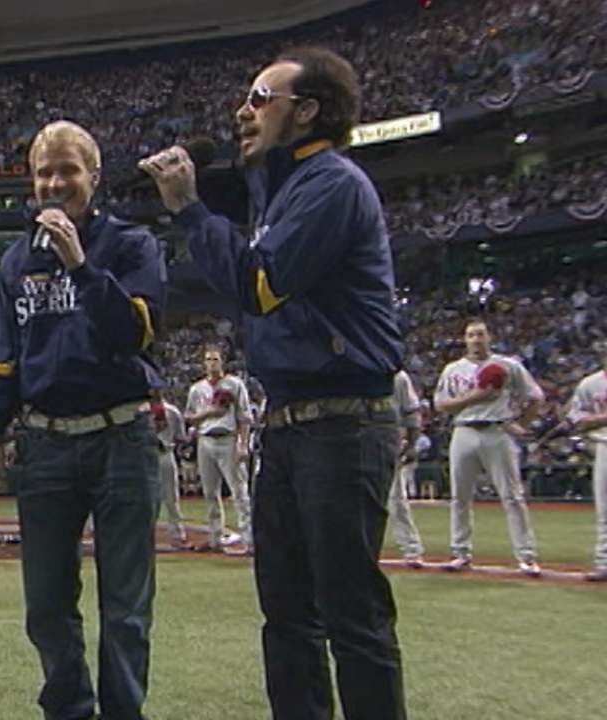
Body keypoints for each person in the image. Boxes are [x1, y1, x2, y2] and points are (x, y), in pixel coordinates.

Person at [143, 46, 407, 719]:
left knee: (350, 614)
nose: (244, 109)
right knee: (286, 614)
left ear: (309, 110)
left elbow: (260, 287)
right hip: (290, 424)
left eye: (262, 97)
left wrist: (190, 212)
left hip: (343, 422)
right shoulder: (286, 190)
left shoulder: (332, 184)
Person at [0, 120, 165, 720]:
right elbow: (3, 355)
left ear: (95, 176)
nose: (55, 183)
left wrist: (81, 265)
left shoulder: (133, 245)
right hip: (45, 444)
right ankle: (68, 709)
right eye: (44, 172)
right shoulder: (14, 260)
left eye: (68, 170)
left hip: (120, 435)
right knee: (47, 604)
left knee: (126, 606)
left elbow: (133, 336)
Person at [433, 319, 543, 576]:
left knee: (512, 496)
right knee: (460, 496)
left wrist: (520, 424)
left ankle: (526, 556)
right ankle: (460, 552)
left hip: (497, 429)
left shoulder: (507, 365)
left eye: (480, 334)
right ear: (464, 339)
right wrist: (476, 396)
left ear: (489, 337)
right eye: (471, 335)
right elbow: (440, 404)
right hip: (464, 429)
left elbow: (535, 396)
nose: (476, 339)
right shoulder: (453, 369)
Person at [184, 345, 253, 553]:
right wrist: (208, 413)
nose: (212, 363)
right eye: (208, 359)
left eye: (215, 359)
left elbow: (245, 418)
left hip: (228, 438)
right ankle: (215, 537)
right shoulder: (197, 389)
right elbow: (189, 418)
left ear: (222, 361)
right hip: (205, 438)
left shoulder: (234, 384)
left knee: (239, 490)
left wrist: (243, 444)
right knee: (210, 492)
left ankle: (249, 538)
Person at [567, 339, 607, 582]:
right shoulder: (590, 384)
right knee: (605, 509)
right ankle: (604, 562)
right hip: (604, 445)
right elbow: (577, 419)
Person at [389, 369, 426, 568]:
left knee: (396, 499)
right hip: (350, 440)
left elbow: (412, 412)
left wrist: (412, 444)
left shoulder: (398, 376)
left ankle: (412, 548)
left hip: (386, 439)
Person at [150, 394, 188, 550]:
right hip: (165, 454)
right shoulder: (172, 411)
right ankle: (177, 534)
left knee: (164, 497)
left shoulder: (142, 411)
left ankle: (175, 534)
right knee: (170, 497)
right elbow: (181, 437)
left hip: (155, 455)